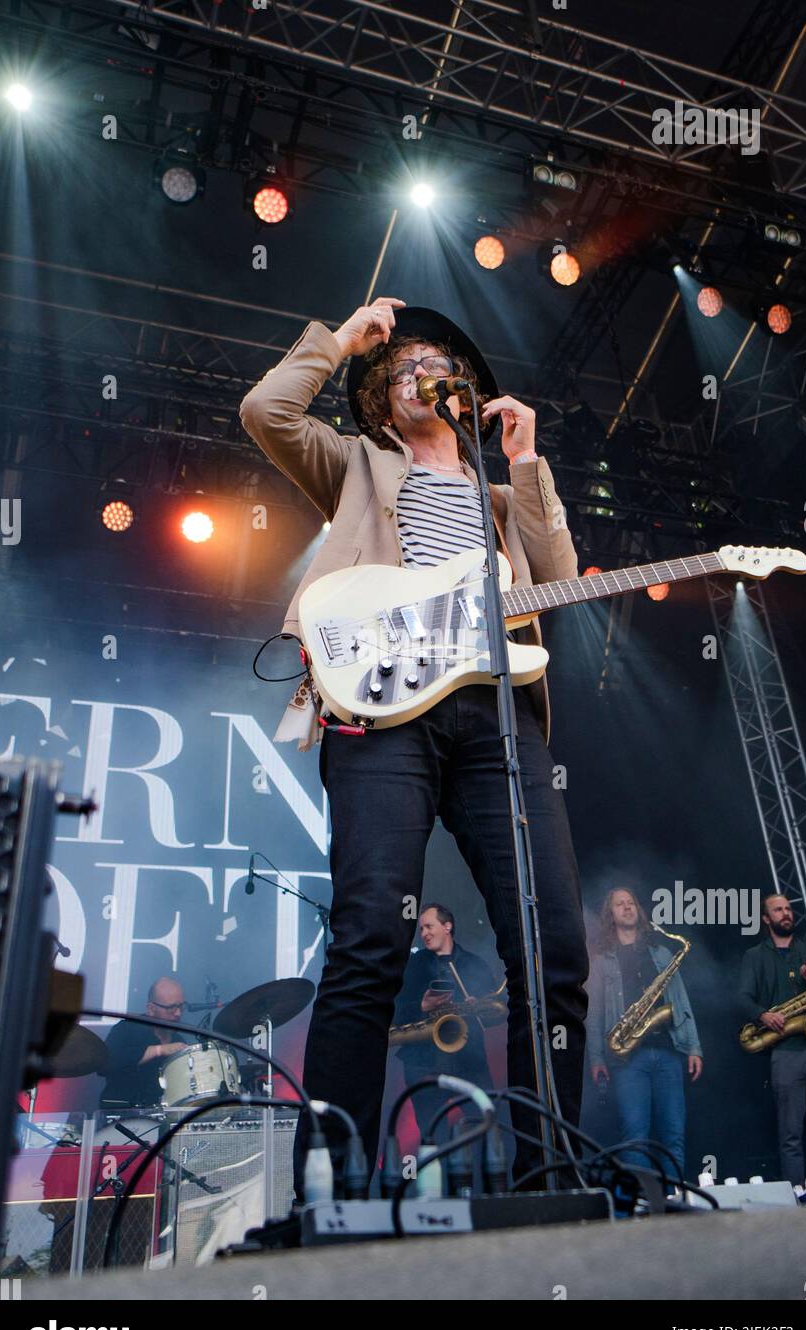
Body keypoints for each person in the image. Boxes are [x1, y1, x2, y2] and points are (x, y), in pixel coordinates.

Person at [239, 298, 588, 1189]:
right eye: (399, 371)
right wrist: (341, 342)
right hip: (382, 715)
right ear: (379, 401)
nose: (416, 376)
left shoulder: (503, 499)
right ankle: (337, 1188)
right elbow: (266, 413)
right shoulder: (356, 464)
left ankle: (550, 1188)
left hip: (497, 720)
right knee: (367, 940)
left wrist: (528, 465)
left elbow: (559, 583)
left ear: (465, 394)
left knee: (553, 951)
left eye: (432, 367)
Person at [587, 888, 702, 1183]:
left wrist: (694, 1047)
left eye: (631, 903)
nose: (627, 907)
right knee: (635, 1134)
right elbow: (595, 1011)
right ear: (610, 915)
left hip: (667, 1051)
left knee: (673, 1134)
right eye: (619, 904)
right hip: (627, 1058)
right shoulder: (602, 960)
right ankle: (641, 1201)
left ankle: (675, 1198)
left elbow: (681, 1000)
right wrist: (597, 1057)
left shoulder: (661, 953)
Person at [738, 892, 806, 1188]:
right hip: (785, 1051)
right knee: (790, 1134)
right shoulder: (754, 956)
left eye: (788, 908)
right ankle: (796, 1196)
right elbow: (742, 998)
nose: (786, 913)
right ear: (766, 919)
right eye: (778, 909)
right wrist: (763, 1016)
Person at [392, 903, 499, 1142]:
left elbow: (497, 1013)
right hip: (423, 1064)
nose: (424, 934)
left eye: (429, 926)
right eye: (421, 929)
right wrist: (422, 1007)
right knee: (432, 1138)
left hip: (469, 1062)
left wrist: (478, 1006)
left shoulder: (474, 964)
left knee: (487, 1132)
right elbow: (393, 1010)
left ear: (447, 926)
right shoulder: (412, 967)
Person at [100, 976, 187, 1108]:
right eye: (171, 1008)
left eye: (181, 1006)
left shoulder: (178, 1040)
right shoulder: (127, 1028)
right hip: (120, 1115)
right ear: (151, 1009)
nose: (178, 1013)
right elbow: (104, 1064)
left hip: (161, 1118)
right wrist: (159, 1050)